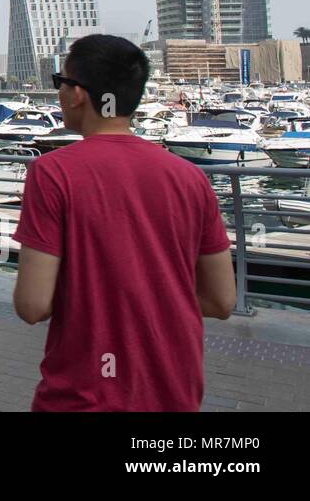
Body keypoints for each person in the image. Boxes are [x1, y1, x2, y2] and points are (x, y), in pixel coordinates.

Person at [12, 34, 236, 411]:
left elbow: (32, 305)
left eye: (60, 83)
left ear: (78, 93)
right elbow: (221, 299)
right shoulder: (190, 178)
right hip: (174, 392)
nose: (59, 94)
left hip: (82, 397)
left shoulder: (53, 173)